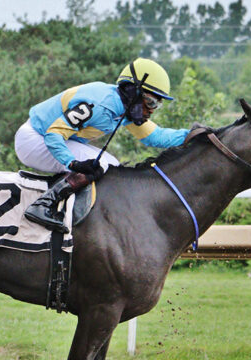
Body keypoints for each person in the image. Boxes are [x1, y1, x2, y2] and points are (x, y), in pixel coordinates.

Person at [16, 58, 190, 232]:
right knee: (104, 166)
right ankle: (44, 204)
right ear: (134, 92)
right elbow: (53, 135)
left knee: (113, 164)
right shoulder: (99, 105)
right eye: (151, 102)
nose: (152, 110)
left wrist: (194, 134)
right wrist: (72, 163)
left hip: (53, 139)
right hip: (34, 139)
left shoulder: (126, 108)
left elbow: (155, 137)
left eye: (158, 105)